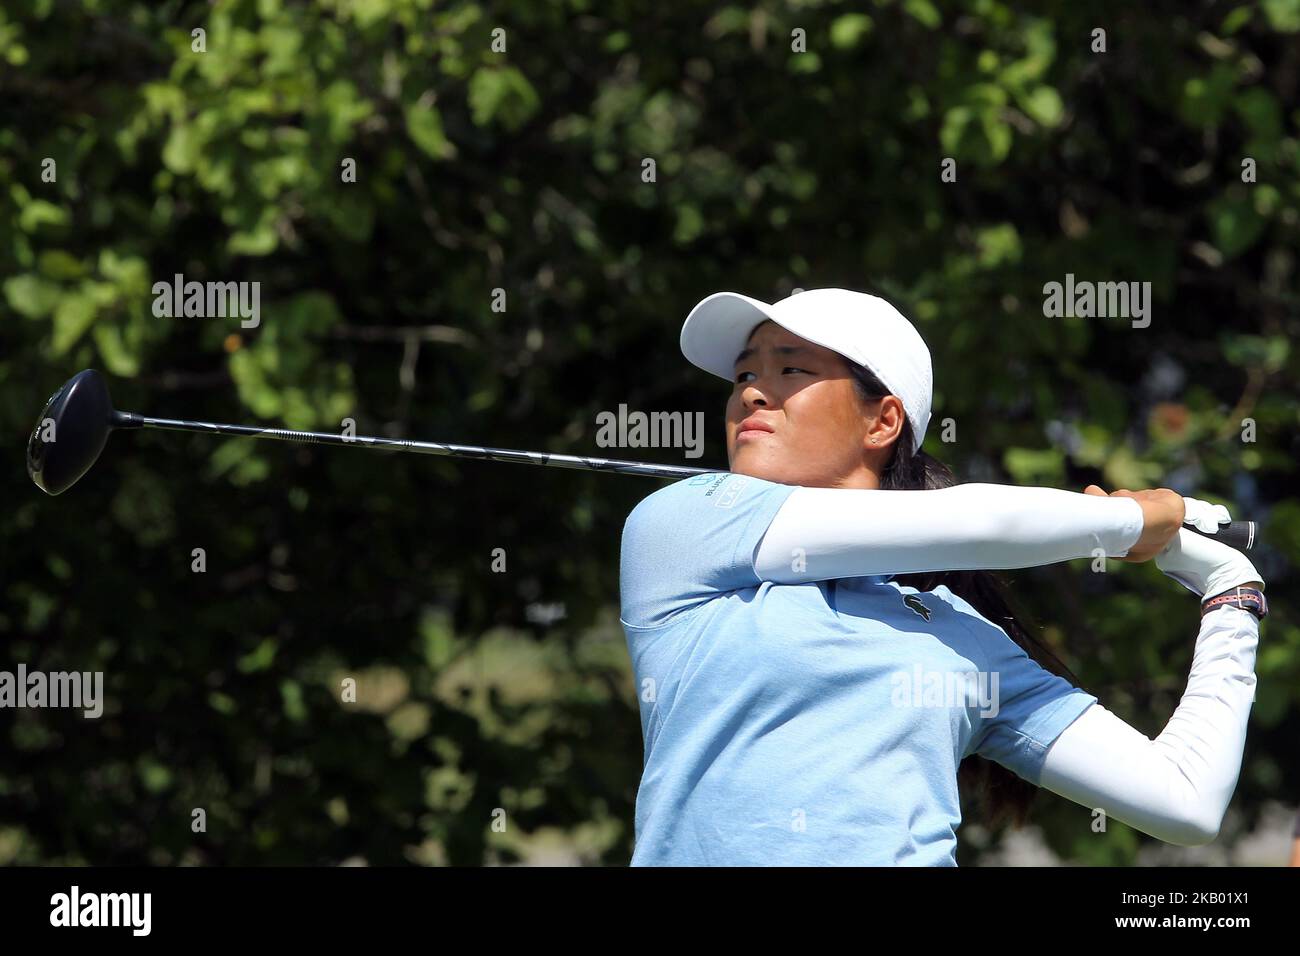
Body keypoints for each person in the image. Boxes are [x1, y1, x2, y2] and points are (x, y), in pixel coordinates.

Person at [618, 287, 1266, 866]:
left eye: (791, 369)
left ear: (882, 421)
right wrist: (1134, 519)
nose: (752, 392)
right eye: (743, 375)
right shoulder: (680, 525)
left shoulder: (960, 636)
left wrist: (1232, 595)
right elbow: (977, 523)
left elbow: (1184, 800)